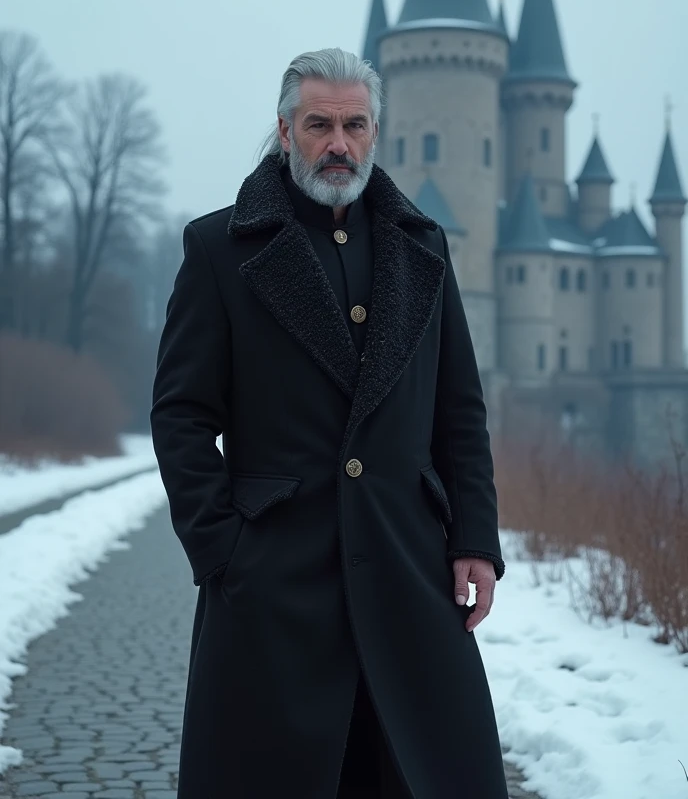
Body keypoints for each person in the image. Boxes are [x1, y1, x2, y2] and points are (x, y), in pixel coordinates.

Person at [150, 47, 509, 799]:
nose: (338, 143)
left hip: (409, 568)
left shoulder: (425, 249)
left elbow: (459, 409)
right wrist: (223, 549)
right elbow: (181, 415)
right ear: (285, 132)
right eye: (319, 124)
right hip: (272, 583)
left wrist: (474, 538)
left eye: (354, 124)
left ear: (375, 132)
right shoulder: (219, 249)